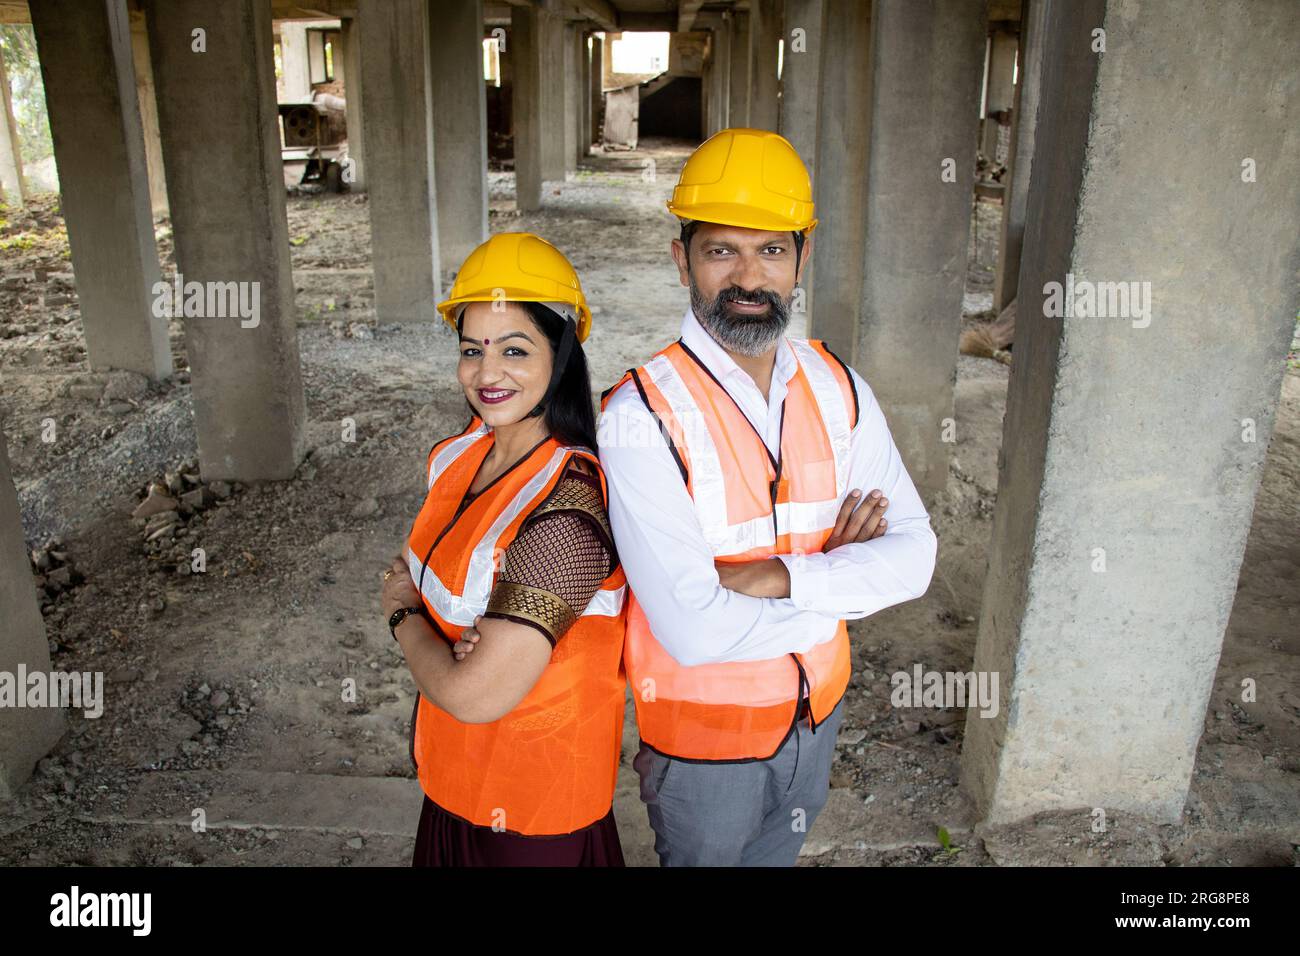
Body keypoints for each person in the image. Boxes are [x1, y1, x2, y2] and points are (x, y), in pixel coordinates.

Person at [598, 128, 939, 866]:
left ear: (801, 259)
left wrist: (780, 576)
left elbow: (915, 560)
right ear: (681, 257)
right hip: (705, 747)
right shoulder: (639, 416)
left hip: (818, 717)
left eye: (772, 250)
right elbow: (690, 632)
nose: (749, 277)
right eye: (722, 250)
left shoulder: (836, 385)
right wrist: (841, 583)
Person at [379, 232, 628, 866]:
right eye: (472, 351)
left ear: (562, 355)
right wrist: (453, 647)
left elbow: (475, 694)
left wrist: (404, 615)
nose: (487, 374)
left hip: (533, 816)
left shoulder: (570, 512)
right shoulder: (465, 451)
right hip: (453, 782)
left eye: (515, 350)